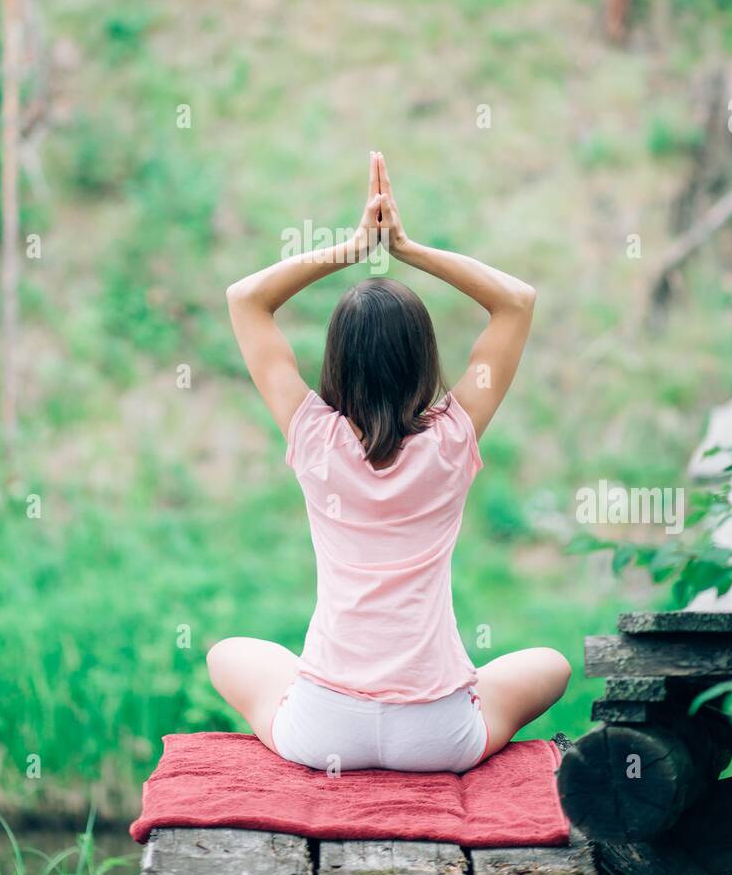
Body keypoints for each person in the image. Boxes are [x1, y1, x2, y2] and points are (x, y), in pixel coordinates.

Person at [207, 152, 570, 771]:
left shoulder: (314, 441)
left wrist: (351, 248)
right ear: (424, 361)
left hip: (323, 733)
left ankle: (336, 687)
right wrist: (406, 247)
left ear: (336, 365)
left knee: (227, 653)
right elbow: (516, 301)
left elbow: (246, 300)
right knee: (552, 666)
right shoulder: (453, 441)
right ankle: (441, 682)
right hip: (439, 738)